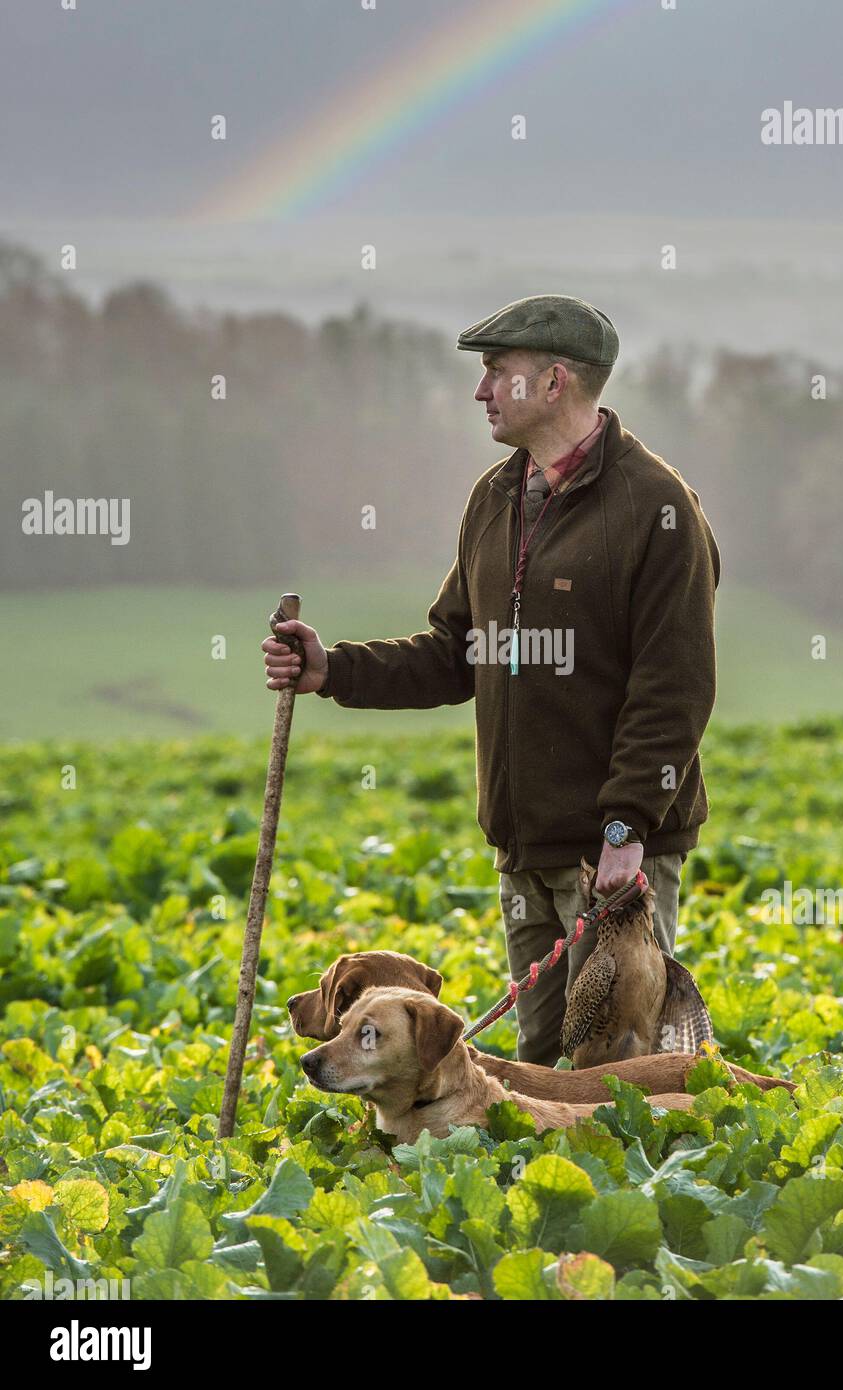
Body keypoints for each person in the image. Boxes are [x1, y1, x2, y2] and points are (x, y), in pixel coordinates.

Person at [262, 294, 721, 1067]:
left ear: (554, 383)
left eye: (495, 373)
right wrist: (331, 670)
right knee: (534, 1070)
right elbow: (453, 651)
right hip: (523, 849)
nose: (480, 392)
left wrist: (627, 827)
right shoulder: (497, 497)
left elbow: (674, 688)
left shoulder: (657, 508)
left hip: (609, 856)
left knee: (615, 1076)